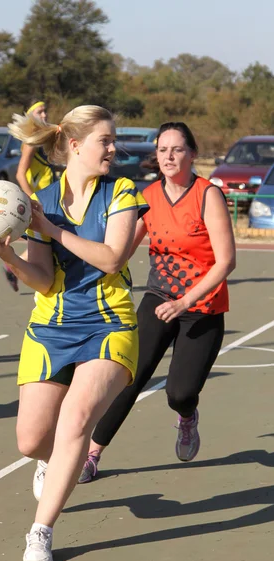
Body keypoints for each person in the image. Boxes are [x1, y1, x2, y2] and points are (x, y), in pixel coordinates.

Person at [0, 105, 149, 561]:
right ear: (75, 145)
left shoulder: (122, 192)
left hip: (110, 325)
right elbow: (45, 279)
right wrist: (7, 256)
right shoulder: (43, 200)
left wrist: (51, 230)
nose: (115, 149)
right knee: (31, 441)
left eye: (114, 141)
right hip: (52, 327)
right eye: (105, 141)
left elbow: (112, 258)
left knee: (75, 421)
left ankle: (40, 530)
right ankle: (54, 463)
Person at [79, 121, 236, 484]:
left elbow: (226, 261)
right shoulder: (148, 196)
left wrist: (185, 303)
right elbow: (119, 252)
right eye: (162, 149)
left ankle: (187, 417)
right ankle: (92, 453)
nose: (168, 156)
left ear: (192, 154)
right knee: (128, 377)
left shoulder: (207, 195)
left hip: (202, 307)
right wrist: (85, 278)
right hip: (158, 297)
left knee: (179, 392)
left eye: (177, 149)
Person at [4, 100, 55, 292]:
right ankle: (14, 266)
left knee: (46, 239)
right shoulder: (30, 142)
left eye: (45, 111)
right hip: (39, 199)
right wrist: (31, 198)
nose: (44, 115)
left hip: (48, 197)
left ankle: (13, 266)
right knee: (45, 240)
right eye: (39, 112)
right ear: (30, 115)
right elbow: (20, 173)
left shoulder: (42, 138)